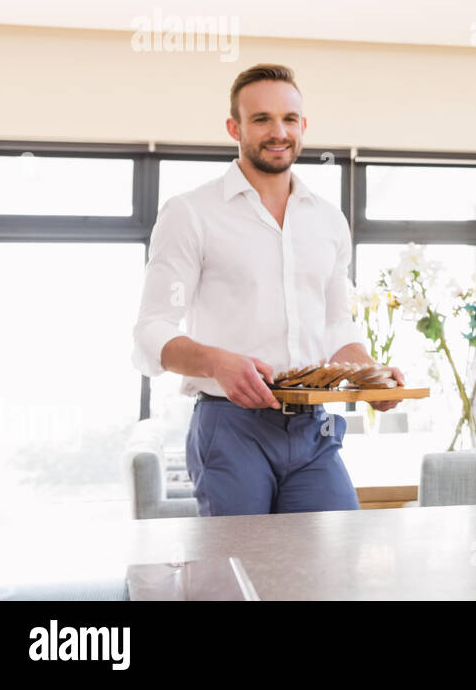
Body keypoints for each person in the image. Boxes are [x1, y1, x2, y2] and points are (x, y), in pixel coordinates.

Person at [132, 63, 404, 516]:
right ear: (234, 128)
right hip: (230, 427)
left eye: (289, 119)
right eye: (261, 120)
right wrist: (217, 362)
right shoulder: (191, 213)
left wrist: (370, 376)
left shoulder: (328, 220)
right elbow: (151, 330)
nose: (278, 132)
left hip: (314, 430)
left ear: (303, 126)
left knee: (330, 573)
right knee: (240, 577)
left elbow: (336, 325)